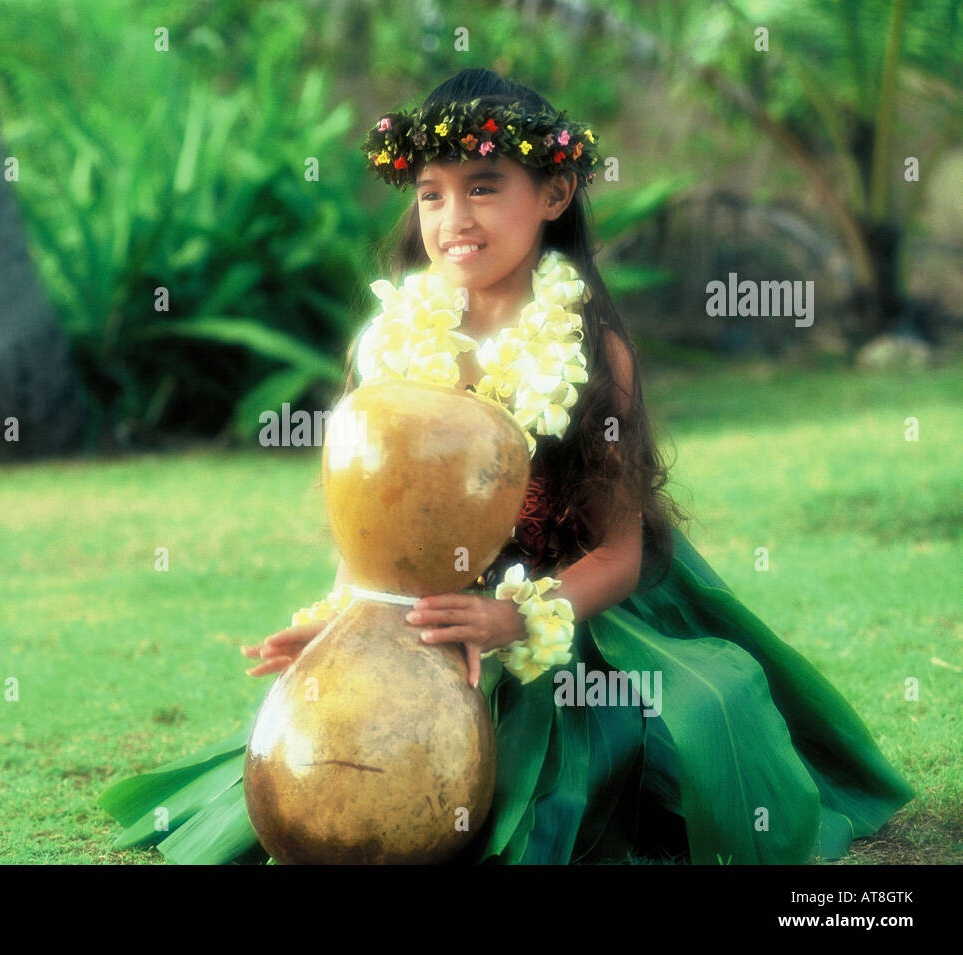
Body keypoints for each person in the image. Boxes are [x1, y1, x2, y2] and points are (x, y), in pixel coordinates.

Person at [97, 68, 915, 865]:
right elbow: (377, 530)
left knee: (623, 742)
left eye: (485, 186)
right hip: (431, 612)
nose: (454, 216)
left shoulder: (598, 351)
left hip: (574, 607)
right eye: (431, 192)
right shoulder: (391, 347)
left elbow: (621, 557)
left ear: (553, 196)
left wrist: (512, 621)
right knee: (330, 754)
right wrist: (351, 622)